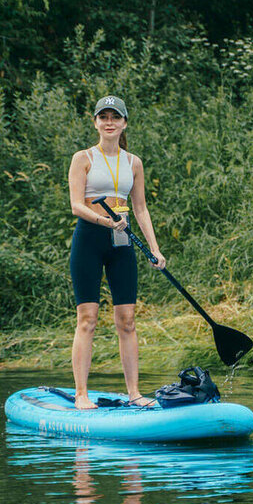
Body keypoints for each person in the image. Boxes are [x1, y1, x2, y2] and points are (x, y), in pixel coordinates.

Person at [67, 95, 166, 410]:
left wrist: (154, 248)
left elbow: (140, 208)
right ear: (95, 122)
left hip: (122, 241)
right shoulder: (82, 158)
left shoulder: (133, 162)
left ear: (124, 123)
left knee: (127, 320)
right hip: (89, 239)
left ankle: (135, 393)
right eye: (103, 117)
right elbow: (76, 205)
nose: (109, 122)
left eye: (115, 117)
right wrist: (104, 220)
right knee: (88, 318)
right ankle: (81, 394)